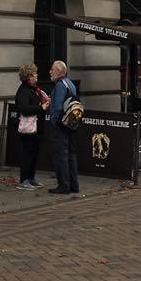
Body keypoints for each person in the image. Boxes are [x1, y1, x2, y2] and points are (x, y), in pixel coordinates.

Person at [47, 60, 80, 196]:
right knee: (71, 155)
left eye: (52, 69)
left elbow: (58, 106)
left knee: (61, 156)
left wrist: (53, 121)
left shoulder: (60, 85)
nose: (50, 72)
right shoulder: (70, 83)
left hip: (61, 125)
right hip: (71, 124)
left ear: (59, 71)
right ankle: (74, 185)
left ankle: (63, 186)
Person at [14, 64, 48, 190]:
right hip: (28, 129)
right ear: (28, 77)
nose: (37, 75)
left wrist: (44, 102)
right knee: (27, 155)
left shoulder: (34, 89)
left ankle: (31, 177)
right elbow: (24, 108)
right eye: (34, 74)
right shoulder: (24, 90)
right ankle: (24, 180)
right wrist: (41, 107)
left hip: (36, 127)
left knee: (34, 154)